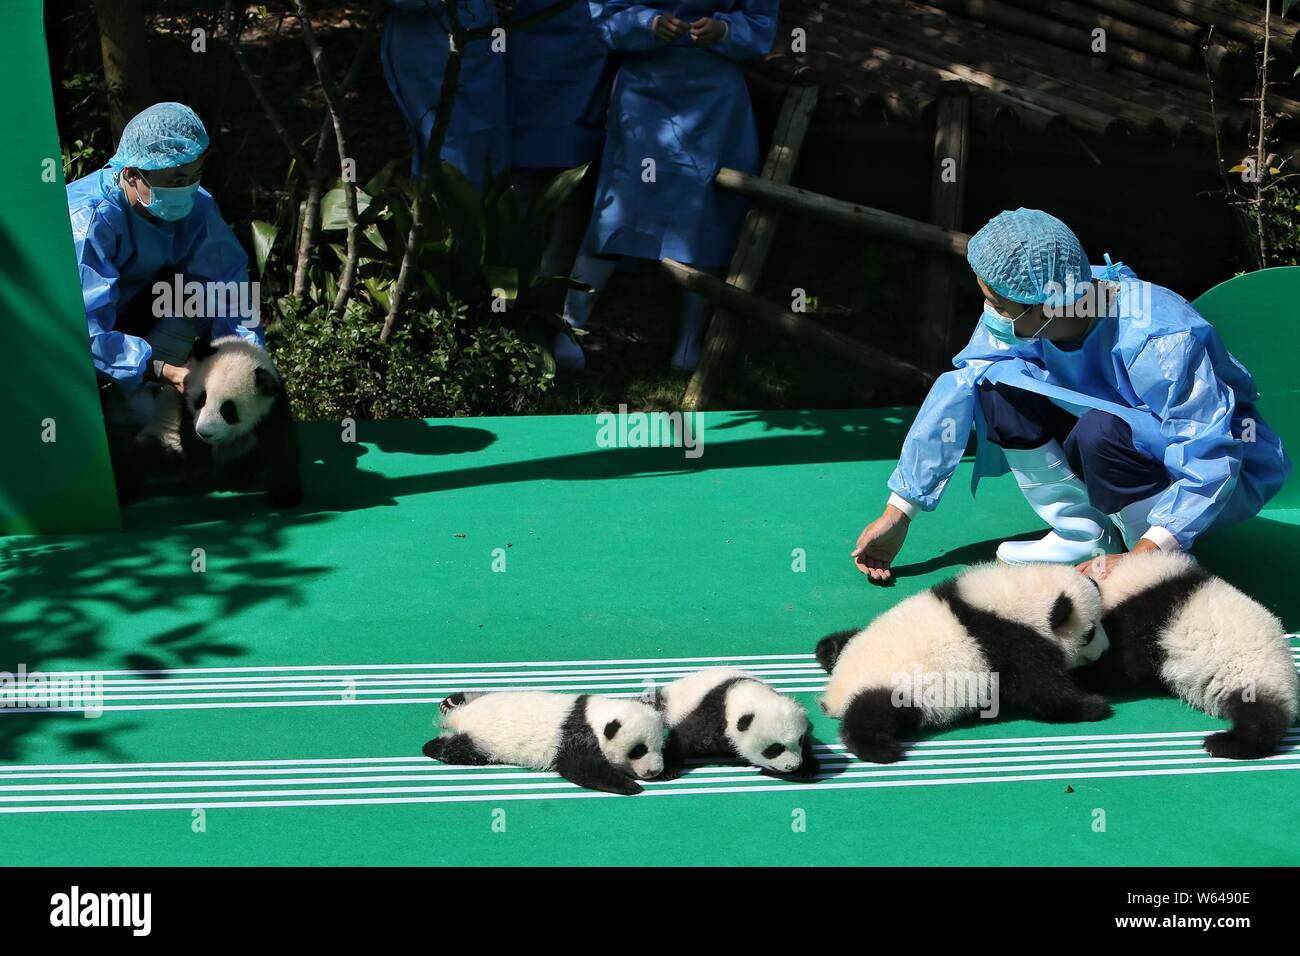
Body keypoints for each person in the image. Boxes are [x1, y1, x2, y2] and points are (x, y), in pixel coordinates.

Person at [852, 208, 1291, 583]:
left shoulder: (1159, 336)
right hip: (1115, 439)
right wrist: (900, 510)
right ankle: (1082, 533)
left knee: (1101, 431)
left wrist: (1145, 555)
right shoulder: (1043, 301)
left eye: (998, 304)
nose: (989, 314)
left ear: (1048, 305)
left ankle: (1155, 559)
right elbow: (960, 385)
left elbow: (1211, 455)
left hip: (1209, 473)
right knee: (994, 383)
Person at [553, 0, 779, 372]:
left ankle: (690, 340)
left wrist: (724, 30)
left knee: (703, 209)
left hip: (713, 93)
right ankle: (570, 326)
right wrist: (649, 23)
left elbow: (762, 23)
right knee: (617, 208)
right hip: (645, 88)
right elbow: (603, 15)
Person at [66, 101, 263, 429]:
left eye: (194, 175)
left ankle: (139, 402)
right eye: (175, 178)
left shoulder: (197, 207)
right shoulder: (88, 220)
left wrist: (243, 363)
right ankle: (126, 402)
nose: (186, 188)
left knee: (191, 295)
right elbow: (83, 328)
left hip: (137, 314)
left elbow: (229, 290)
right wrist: (159, 370)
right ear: (131, 174)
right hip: (61, 344)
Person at [508, 0, 614, 279]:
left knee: (574, 170)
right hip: (532, 51)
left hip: (587, 51)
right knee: (529, 171)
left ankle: (546, 289)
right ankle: (513, 294)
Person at [381, 0, 510, 190]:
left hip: (444, 40)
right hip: (460, 33)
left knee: (451, 142)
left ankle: (455, 210)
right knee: (462, 137)